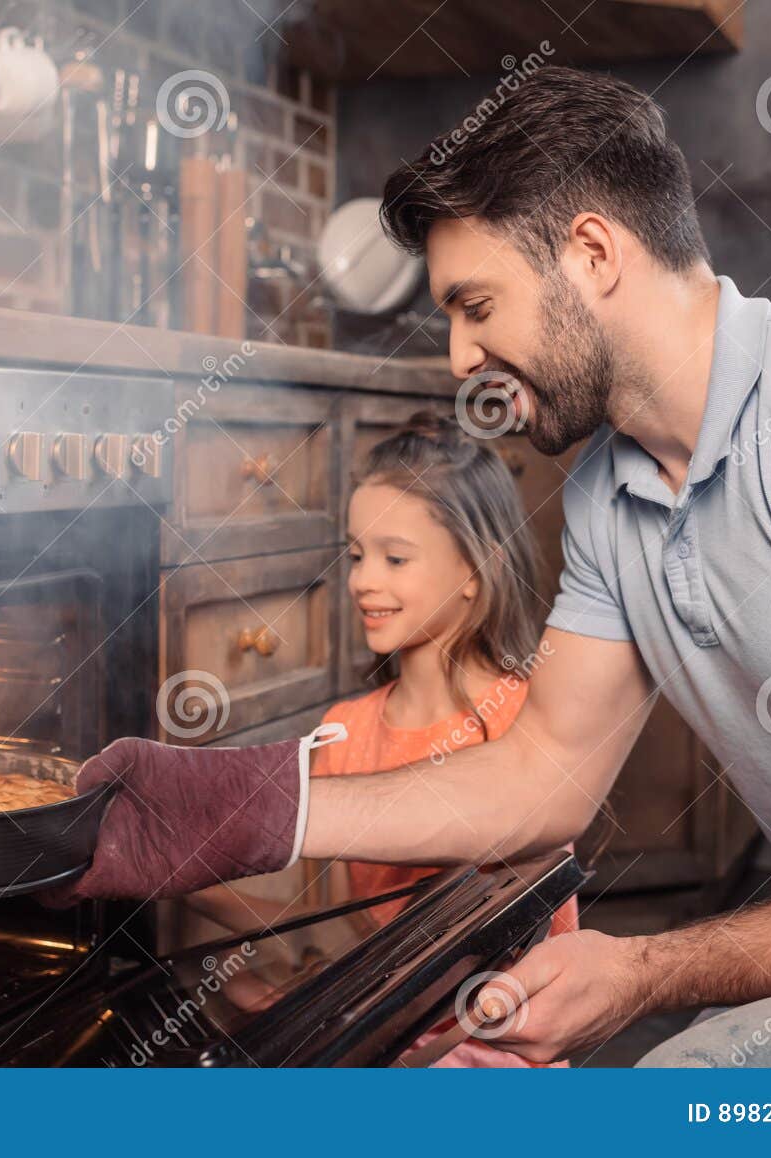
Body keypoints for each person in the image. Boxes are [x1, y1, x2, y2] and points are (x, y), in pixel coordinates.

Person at [49, 65, 771, 1067]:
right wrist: (250, 804)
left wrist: (643, 970)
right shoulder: (608, 494)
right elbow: (541, 773)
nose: (460, 357)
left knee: (689, 1077)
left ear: (592, 254)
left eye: (476, 307)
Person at [313, 412, 577, 1067]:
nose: (362, 580)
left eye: (394, 558)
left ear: (473, 569)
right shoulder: (341, 731)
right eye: (355, 554)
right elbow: (327, 926)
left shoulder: (529, 721)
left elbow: (550, 951)